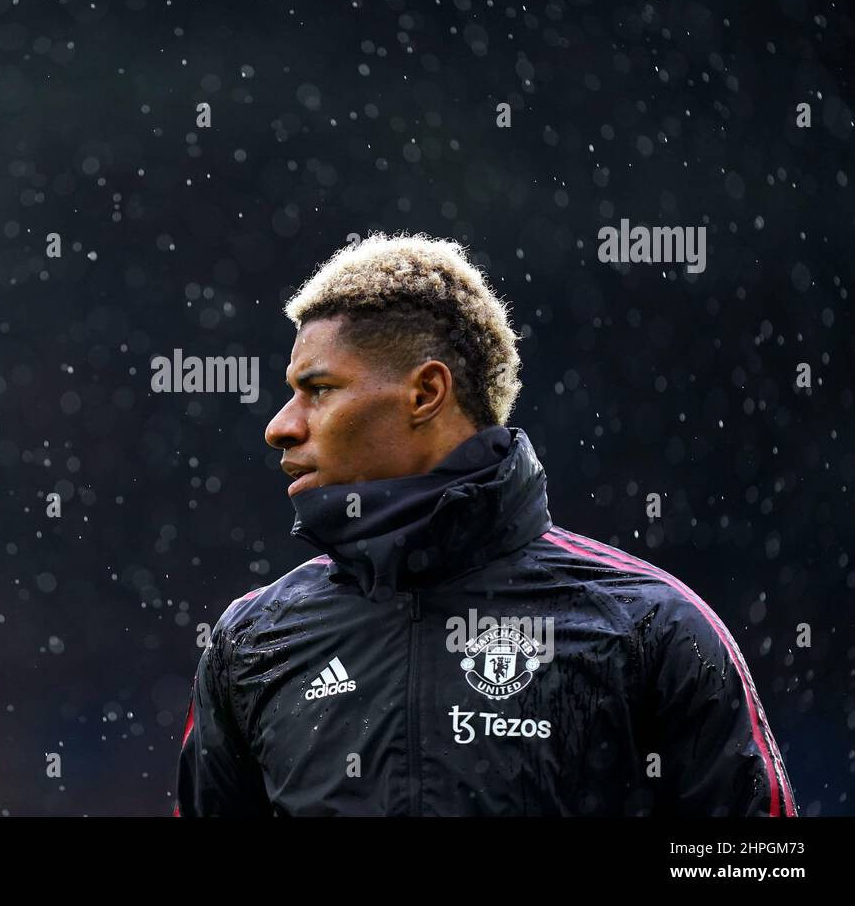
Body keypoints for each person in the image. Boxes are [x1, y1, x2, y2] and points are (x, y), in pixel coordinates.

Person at [173, 231, 797, 816]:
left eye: (319, 389)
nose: (281, 425)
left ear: (425, 394)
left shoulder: (647, 627)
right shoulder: (254, 641)